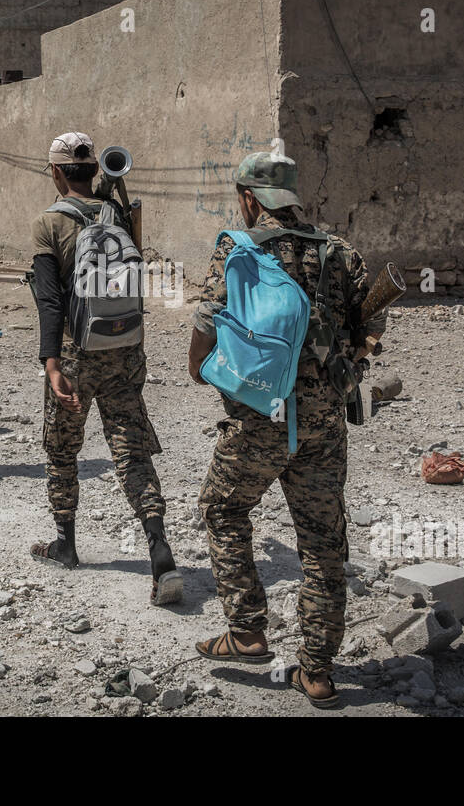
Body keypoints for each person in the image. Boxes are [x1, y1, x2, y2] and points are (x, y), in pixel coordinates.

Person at [187, 150, 385, 709]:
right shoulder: (341, 254)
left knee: (223, 509)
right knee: (323, 545)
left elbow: (208, 319)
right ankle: (317, 671)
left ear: (251, 198)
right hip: (324, 423)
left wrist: (200, 368)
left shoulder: (238, 247)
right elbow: (371, 327)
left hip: (260, 417)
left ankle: (247, 629)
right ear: (293, 198)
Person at [28, 131, 183, 606]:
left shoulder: (48, 224)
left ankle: (66, 544)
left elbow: (50, 302)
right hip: (124, 351)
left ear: (56, 172)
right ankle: (159, 551)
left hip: (77, 354)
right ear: (95, 170)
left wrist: (51, 364)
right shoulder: (118, 214)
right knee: (132, 452)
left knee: (62, 450)